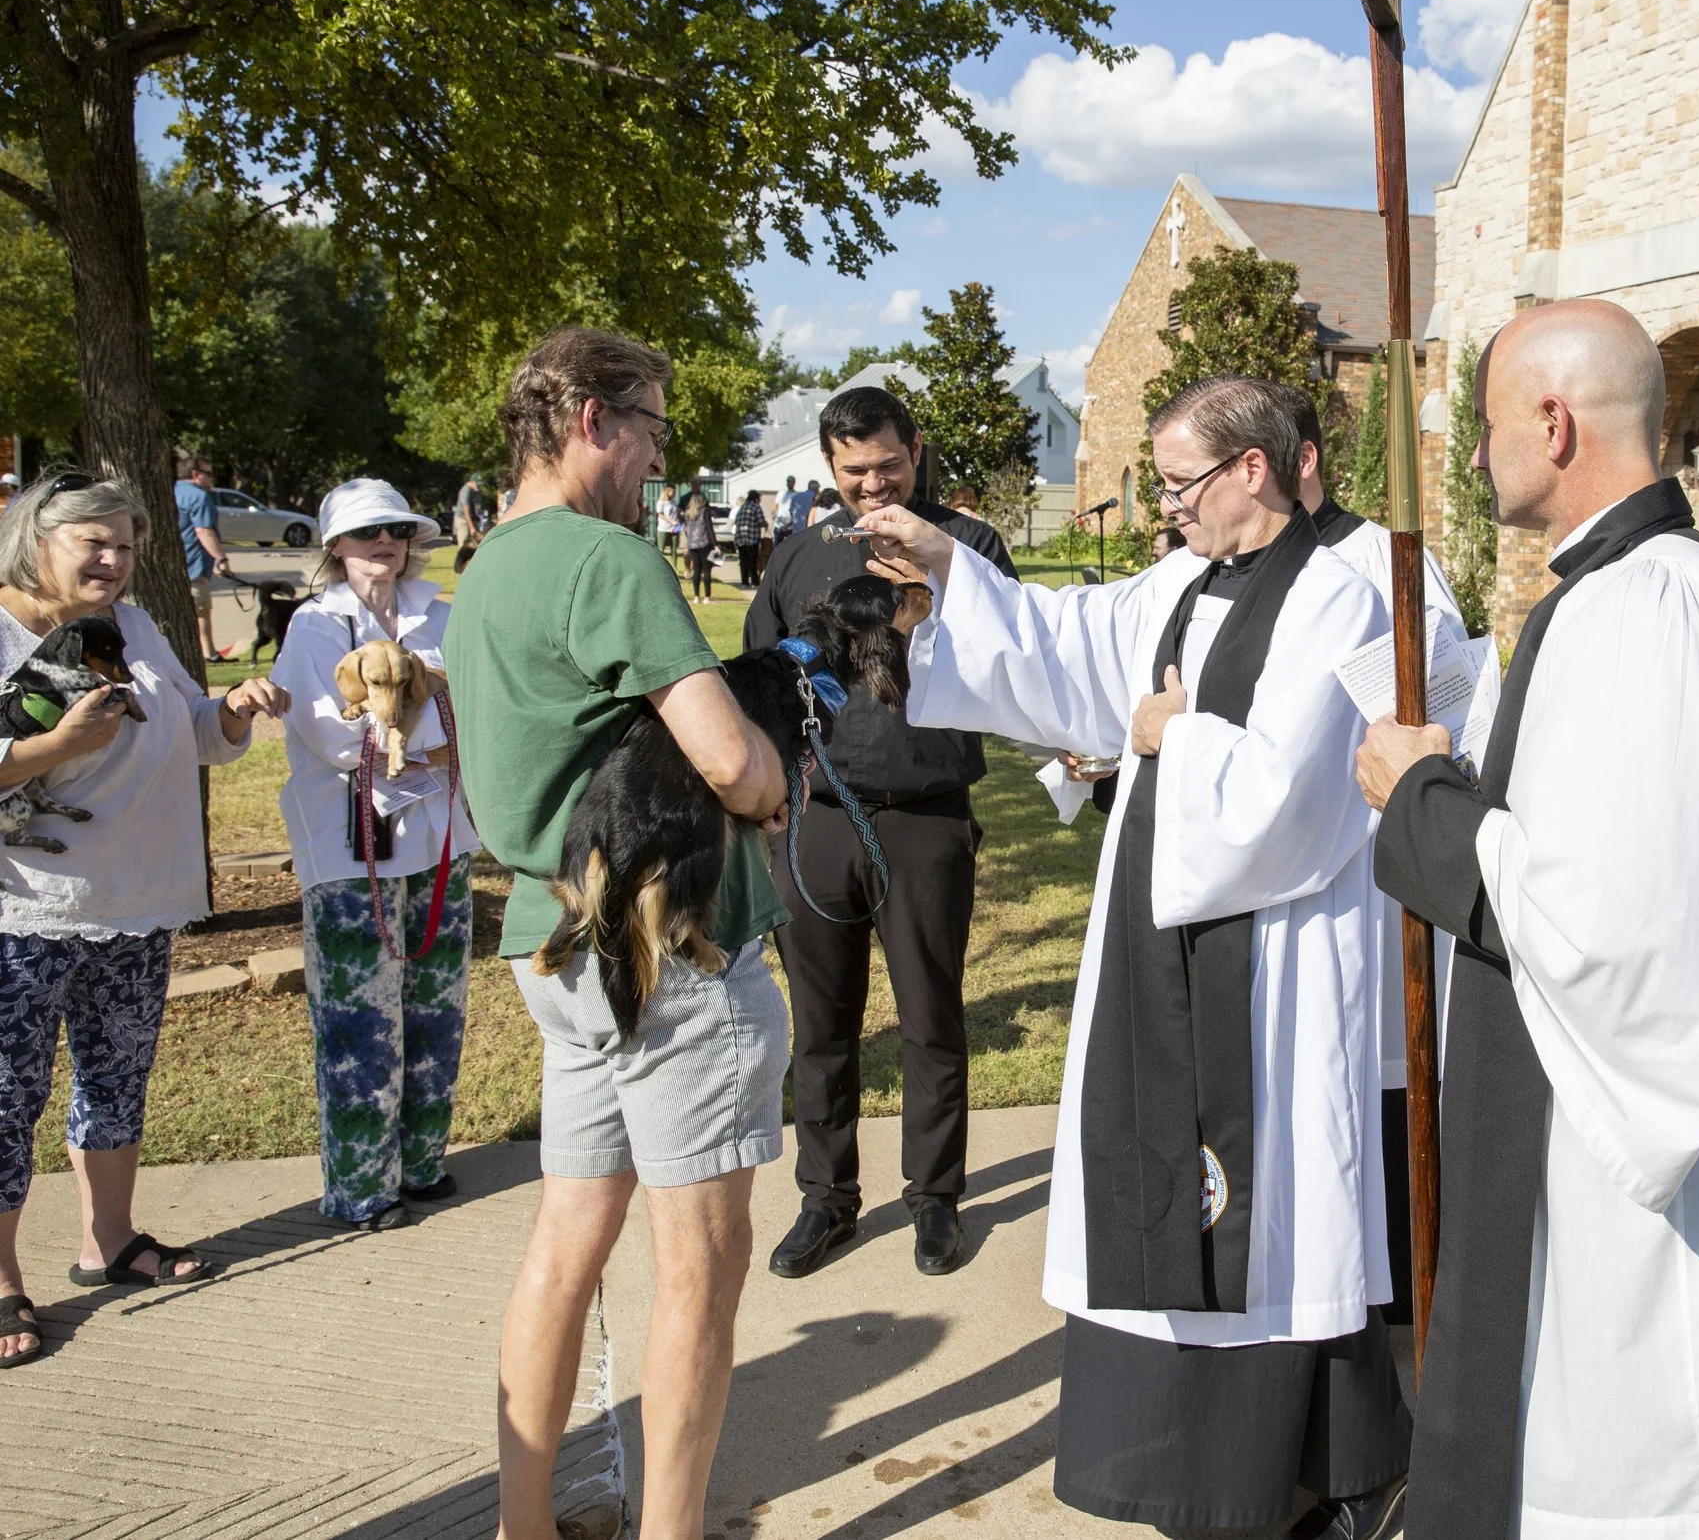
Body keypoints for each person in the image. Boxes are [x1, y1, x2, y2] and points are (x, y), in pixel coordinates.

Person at [1354, 300, 1699, 1540]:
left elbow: (1630, 942)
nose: (1479, 453)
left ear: (1552, 423)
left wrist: (1420, 800)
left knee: (1652, 1461)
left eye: (1492, 423)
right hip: (1671, 1141)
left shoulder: (1648, 620)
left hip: (1658, 1209)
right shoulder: (1671, 601)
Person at [857, 376, 1408, 1537]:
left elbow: (1285, 802)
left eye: (1178, 485)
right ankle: (1175, 1467)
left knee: (1273, 1215)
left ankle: (1294, 1474)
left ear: (1252, 469)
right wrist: (952, 567)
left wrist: (1171, 734)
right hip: (1160, 940)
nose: (1166, 511)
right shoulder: (1184, 582)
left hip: (1271, 970)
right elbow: (1070, 640)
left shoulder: (1339, 599)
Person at [444, 328, 793, 1540]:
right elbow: (734, 761)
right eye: (650, 425)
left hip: (558, 942)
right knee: (700, 1265)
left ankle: (522, 1522)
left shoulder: (484, 565)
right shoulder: (610, 559)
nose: (657, 454)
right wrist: (774, 778)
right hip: (675, 951)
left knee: (565, 1241)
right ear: (591, 418)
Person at [0, 469, 288, 1370]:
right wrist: (57, 746)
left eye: (125, 545)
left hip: (138, 903)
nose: (115, 560)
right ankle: (2, 1280)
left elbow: (191, 730)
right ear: (37, 542)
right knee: (7, 1101)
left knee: (117, 1078)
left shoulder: (137, 625)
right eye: (95, 543)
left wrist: (231, 712)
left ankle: (109, 1241)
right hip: (28, 910)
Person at [748, 386, 1018, 1283]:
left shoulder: (968, 545)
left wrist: (939, 589)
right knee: (820, 1026)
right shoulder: (796, 555)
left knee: (931, 1016)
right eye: (853, 469)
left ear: (915, 450)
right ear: (829, 466)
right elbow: (763, 678)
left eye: (888, 464)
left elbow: (1015, 656)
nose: (872, 483)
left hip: (927, 815)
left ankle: (934, 1197)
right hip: (817, 819)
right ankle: (826, 1197)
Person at [1274, 380, 1467, 1328]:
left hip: (1371, 858)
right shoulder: (1247, 567)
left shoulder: (1385, 561)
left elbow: (1445, 690)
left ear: (1303, 460)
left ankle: (1400, 1294)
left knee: (1385, 1079)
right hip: (1283, 871)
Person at [274, 480, 479, 1234]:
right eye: (366, 534)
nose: (384, 544)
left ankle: (422, 1162)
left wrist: (428, 737)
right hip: (348, 846)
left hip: (438, 839)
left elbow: (475, 706)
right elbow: (337, 738)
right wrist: (441, 736)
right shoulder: (315, 625)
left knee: (436, 1006)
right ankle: (362, 1185)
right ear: (336, 548)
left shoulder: (440, 613)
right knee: (361, 1017)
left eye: (394, 529)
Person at [173, 452, 231, 659]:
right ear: (196, 474)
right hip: (194, 567)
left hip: (174, 569)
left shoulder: (172, 491)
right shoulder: (199, 496)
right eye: (209, 473)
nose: (212, 478)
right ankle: (209, 654)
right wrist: (220, 558)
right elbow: (203, 531)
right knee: (201, 613)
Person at [681, 486, 719, 603]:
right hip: (704, 543)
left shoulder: (688, 513)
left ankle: (696, 596)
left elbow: (686, 529)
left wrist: (688, 542)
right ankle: (707, 597)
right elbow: (709, 528)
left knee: (696, 570)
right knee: (706, 570)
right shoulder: (704, 511)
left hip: (692, 544)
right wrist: (715, 545)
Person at [452, 472, 493, 573]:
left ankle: (472, 569)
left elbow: (478, 507)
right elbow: (466, 511)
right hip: (463, 519)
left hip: (473, 519)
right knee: (464, 545)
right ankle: (462, 569)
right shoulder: (465, 491)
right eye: (477, 483)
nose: (479, 485)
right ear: (471, 481)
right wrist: (471, 527)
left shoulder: (476, 490)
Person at [732, 489, 766, 587]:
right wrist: (766, 525)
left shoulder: (743, 507)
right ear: (756, 498)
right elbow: (761, 521)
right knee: (752, 561)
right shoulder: (756, 507)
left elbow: (736, 521)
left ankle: (744, 581)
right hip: (752, 538)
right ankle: (754, 582)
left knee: (743, 561)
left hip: (740, 537)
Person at [655, 485, 680, 561]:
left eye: (675, 491)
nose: (674, 493)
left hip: (675, 528)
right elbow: (660, 514)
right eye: (673, 491)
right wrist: (671, 521)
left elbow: (677, 513)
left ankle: (674, 569)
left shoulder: (675, 502)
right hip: (663, 528)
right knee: (661, 550)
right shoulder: (661, 502)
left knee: (674, 550)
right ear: (667, 491)